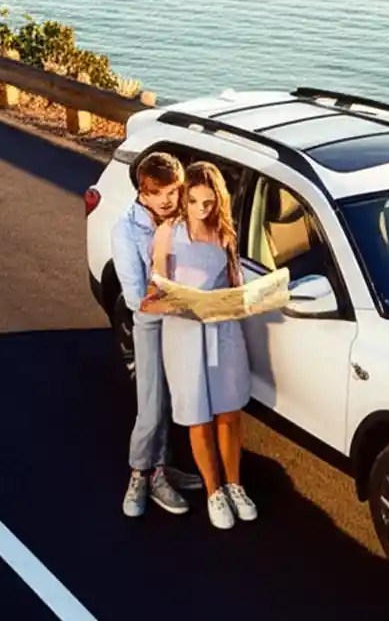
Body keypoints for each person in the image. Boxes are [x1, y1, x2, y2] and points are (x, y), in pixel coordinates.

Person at [144, 161, 257, 530]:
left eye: (208, 202)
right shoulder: (167, 235)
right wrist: (175, 303)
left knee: (228, 413)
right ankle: (213, 491)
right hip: (185, 335)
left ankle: (235, 485)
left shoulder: (225, 235)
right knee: (199, 416)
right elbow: (153, 295)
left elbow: (235, 287)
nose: (201, 209)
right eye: (194, 201)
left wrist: (246, 300)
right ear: (185, 199)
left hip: (222, 332)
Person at [110, 151, 204, 518]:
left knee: (173, 401)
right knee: (150, 406)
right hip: (151, 323)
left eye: (174, 191)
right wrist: (181, 297)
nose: (168, 200)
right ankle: (139, 475)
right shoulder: (126, 230)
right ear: (142, 193)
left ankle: (162, 471)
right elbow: (136, 297)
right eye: (158, 193)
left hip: (183, 320)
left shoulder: (183, 220)